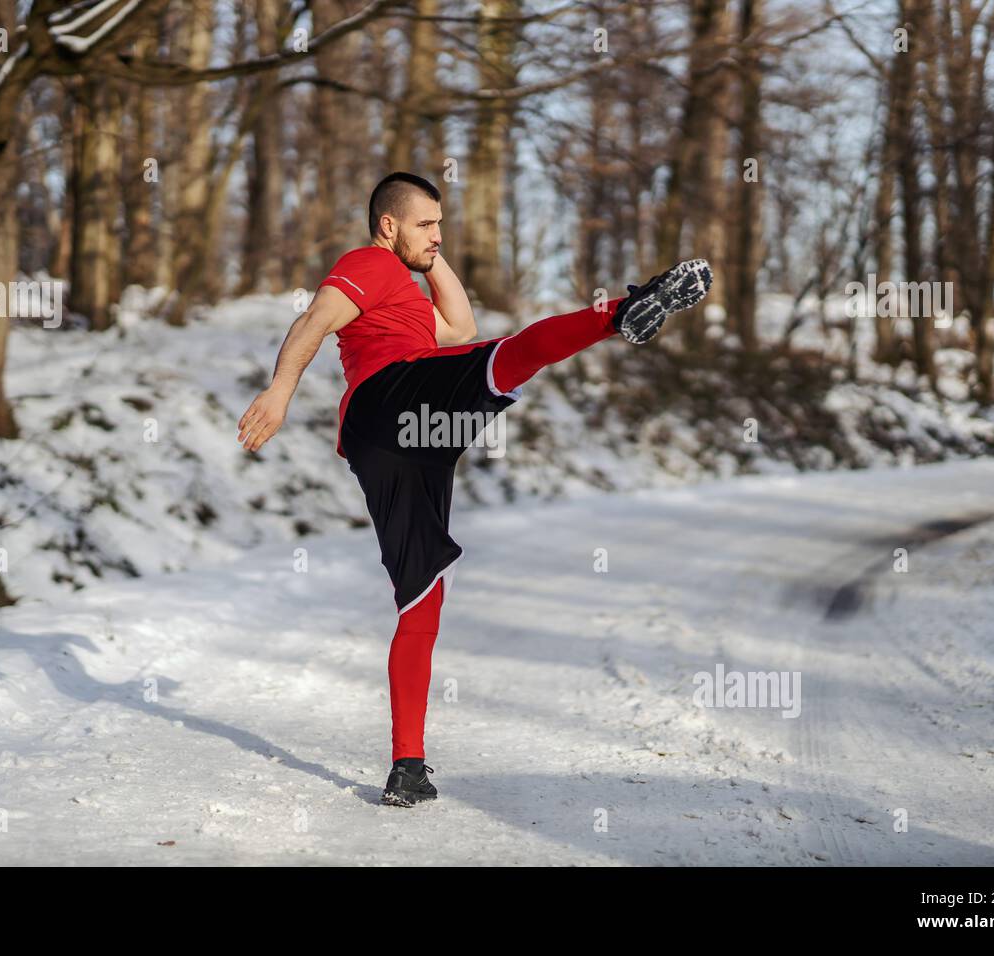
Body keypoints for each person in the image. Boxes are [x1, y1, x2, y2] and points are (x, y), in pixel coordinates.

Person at [238, 171, 711, 807]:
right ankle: (622, 312)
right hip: (394, 396)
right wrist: (281, 391)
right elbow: (314, 321)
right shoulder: (368, 265)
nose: (438, 236)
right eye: (426, 224)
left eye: (441, 225)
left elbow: (457, 328)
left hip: (399, 442)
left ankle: (408, 766)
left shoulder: (401, 287)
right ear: (387, 226)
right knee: (512, 356)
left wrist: (429, 255)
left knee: (422, 592)